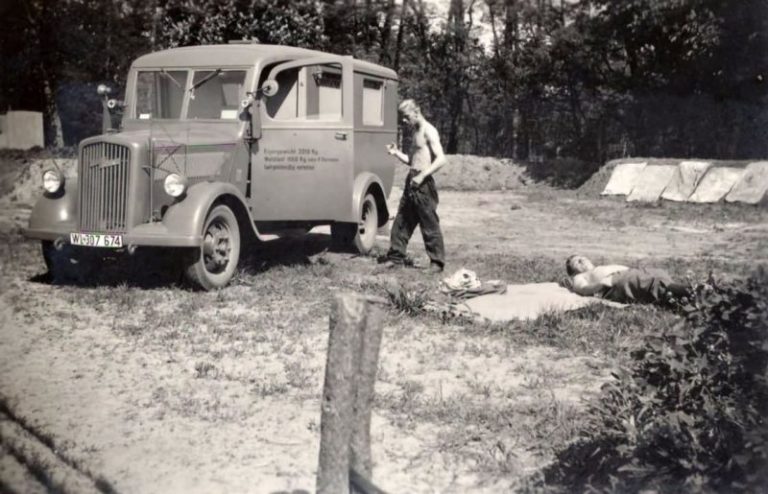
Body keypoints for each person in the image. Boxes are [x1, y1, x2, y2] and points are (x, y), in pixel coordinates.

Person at [380, 99, 447, 273]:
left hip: (423, 182)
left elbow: (441, 159)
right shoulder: (415, 131)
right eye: (402, 117)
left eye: (406, 116)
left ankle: (437, 263)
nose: (403, 121)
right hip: (412, 179)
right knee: (402, 220)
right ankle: (395, 258)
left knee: (429, 223)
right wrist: (396, 153)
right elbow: (412, 160)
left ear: (416, 112)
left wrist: (423, 176)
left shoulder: (429, 130)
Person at [564, 255, 691, 305]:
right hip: (616, 282)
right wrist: (601, 284)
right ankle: (690, 290)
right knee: (652, 282)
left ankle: (685, 295)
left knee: (658, 275)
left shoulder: (598, 268)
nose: (581, 260)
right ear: (573, 271)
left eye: (582, 257)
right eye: (576, 262)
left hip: (631, 273)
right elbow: (582, 289)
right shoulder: (578, 277)